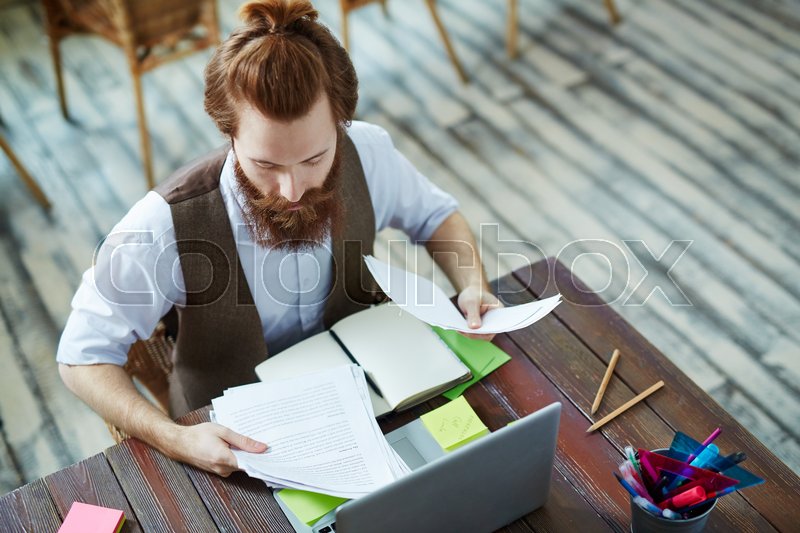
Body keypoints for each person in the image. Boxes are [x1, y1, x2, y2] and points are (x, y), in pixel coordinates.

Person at [57, 0, 499, 477]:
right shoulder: (162, 224)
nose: (293, 191)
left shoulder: (367, 151)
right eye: (266, 165)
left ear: (340, 122)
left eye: (314, 159)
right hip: (240, 448)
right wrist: (176, 437)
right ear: (229, 133)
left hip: (377, 403)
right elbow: (82, 358)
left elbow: (437, 215)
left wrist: (473, 282)